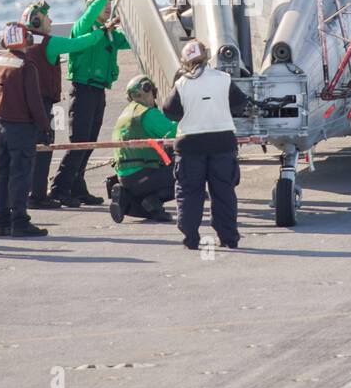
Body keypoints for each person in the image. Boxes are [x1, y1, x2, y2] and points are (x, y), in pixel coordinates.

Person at [162, 39, 251, 250]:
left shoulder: (182, 83)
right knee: (224, 192)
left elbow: (170, 111)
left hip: (190, 145)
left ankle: (191, 238)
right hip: (222, 143)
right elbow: (240, 104)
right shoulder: (223, 78)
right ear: (206, 56)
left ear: (185, 61)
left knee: (189, 192)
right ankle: (229, 238)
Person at [48, 0, 131, 207]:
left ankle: (77, 184)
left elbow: (131, 40)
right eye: (103, 3)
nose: (108, 7)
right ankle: (59, 187)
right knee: (79, 142)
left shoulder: (109, 34)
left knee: (89, 142)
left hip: (98, 90)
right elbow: (90, 16)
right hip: (82, 90)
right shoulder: (82, 27)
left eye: (110, 4)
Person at [19, 0, 107, 209]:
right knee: (45, 146)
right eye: (46, 17)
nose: (51, 20)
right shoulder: (49, 43)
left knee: (31, 150)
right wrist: (100, 33)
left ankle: (33, 192)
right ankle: (38, 196)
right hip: (44, 104)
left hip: (25, 104)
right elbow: (78, 44)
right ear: (37, 21)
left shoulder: (24, 43)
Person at [0, 23, 52, 237]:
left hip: (1, 127)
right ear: (27, 41)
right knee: (21, 174)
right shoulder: (26, 66)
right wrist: (44, 126)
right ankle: (20, 222)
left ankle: (3, 222)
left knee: (2, 174)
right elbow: (34, 101)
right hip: (22, 129)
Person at [108, 74, 178, 223]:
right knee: (188, 175)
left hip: (125, 176)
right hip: (143, 173)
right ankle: (152, 200)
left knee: (144, 201)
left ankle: (132, 200)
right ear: (149, 91)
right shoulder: (148, 114)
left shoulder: (126, 114)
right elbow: (175, 132)